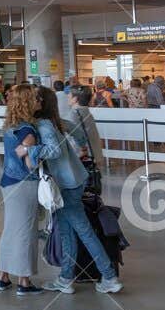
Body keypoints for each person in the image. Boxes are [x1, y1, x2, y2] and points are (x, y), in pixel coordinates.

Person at [32, 87, 122, 295]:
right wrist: (80, 147)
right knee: (68, 231)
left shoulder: (43, 125)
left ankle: (109, 276)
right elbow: (80, 134)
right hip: (75, 178)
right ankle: (65, 277)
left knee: (83, 231)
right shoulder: (56, 121)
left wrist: (30, 150)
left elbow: (52, 151)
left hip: (66, 184)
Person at [0, 83, 46, 296]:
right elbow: (26, 157)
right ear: (27, 102)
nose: (40, 102)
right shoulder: (28, 130)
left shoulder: (10, 126)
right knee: (26, 231)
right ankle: (24, 281)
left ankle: (3, 276)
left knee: (10, 230)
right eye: (36, 99)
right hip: (24, 183)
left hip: (8, 181)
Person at [64, 85, 104, 168]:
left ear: (75, 99)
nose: (67, 96)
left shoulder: (74, 113)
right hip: (93, 155)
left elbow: (73, 137)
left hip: (82, 157)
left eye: (69, 94)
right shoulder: (86, 112)